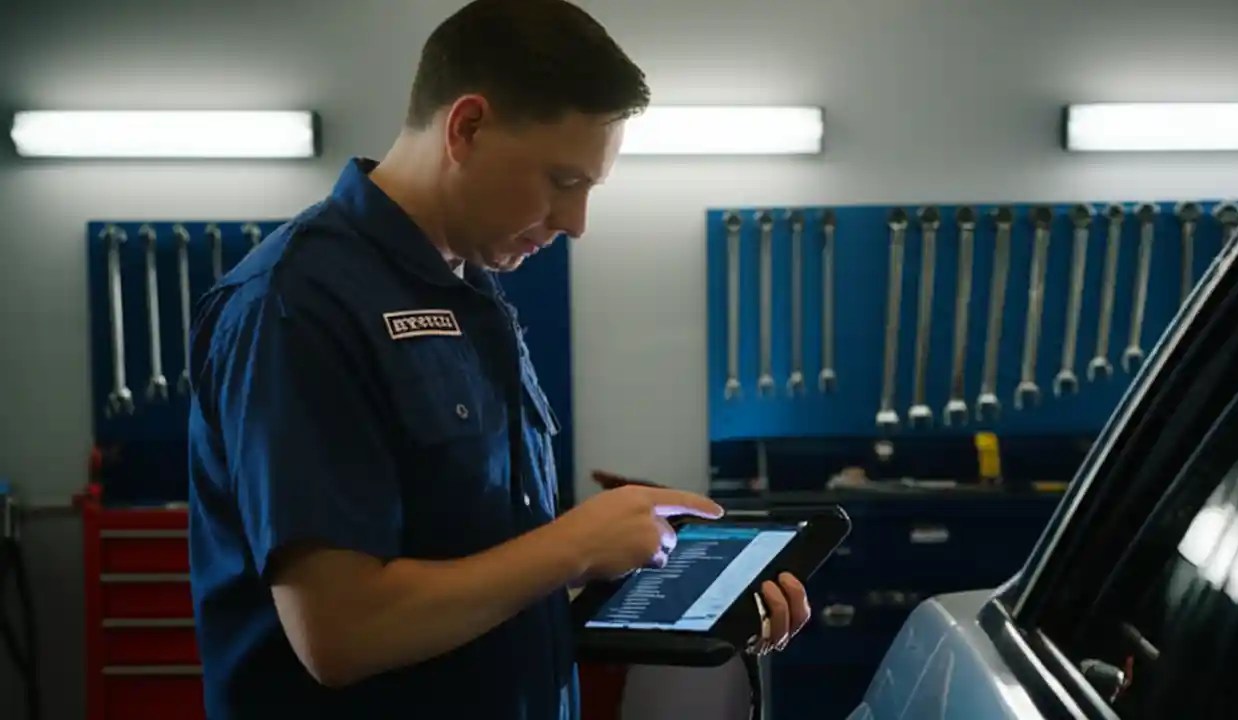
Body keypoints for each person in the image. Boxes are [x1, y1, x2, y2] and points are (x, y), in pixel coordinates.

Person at [186, 1, 811, 718]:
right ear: (467, 127)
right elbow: (341, 633)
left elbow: (483, 578)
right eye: (563, 182)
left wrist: (661, 587)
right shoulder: (296, 305)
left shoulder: (473, 295)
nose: (576, 223)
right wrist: (575, 544)